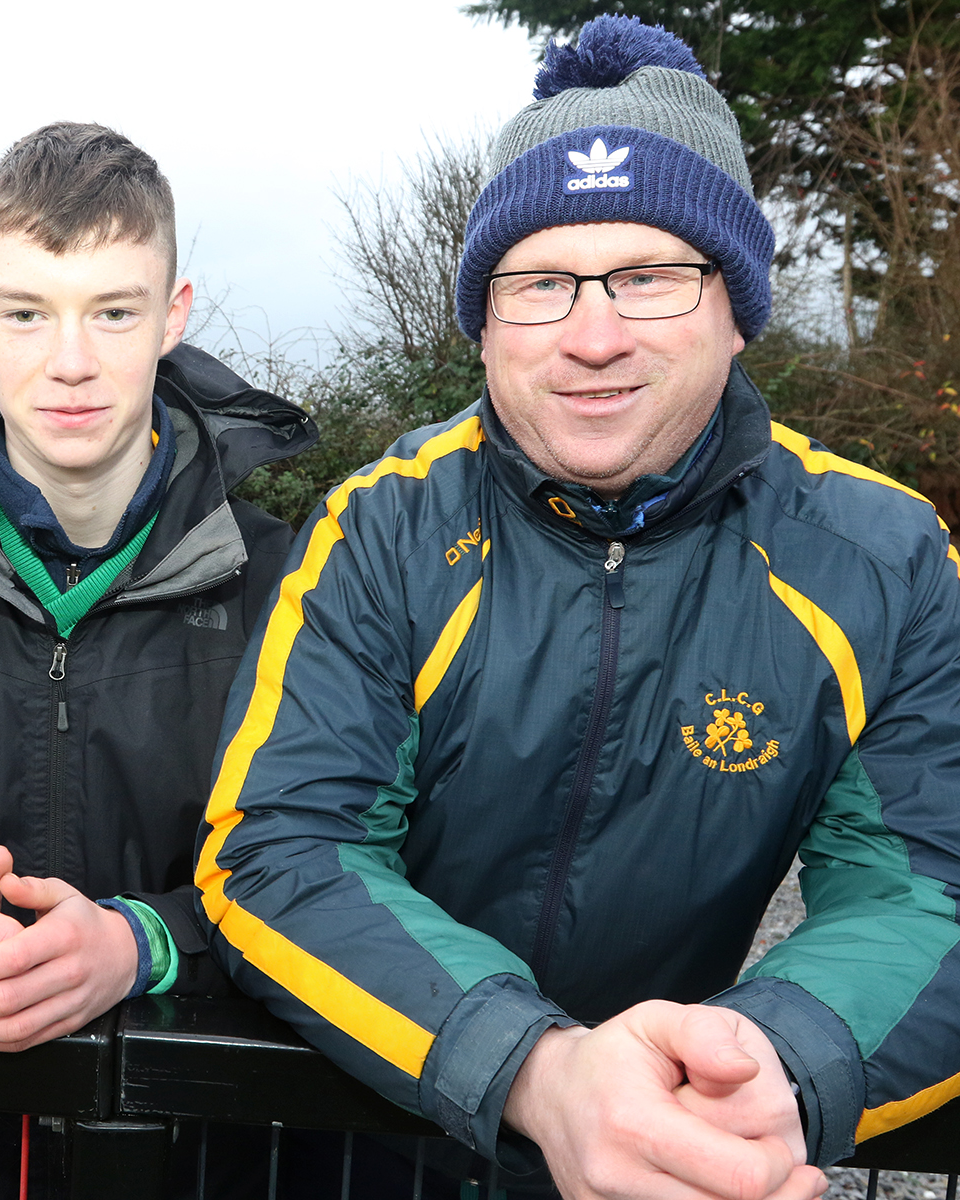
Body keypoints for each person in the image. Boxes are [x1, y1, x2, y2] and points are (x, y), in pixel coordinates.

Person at [197, 16, 960, 1200]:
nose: (593, 338)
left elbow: (930, 883)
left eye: (649, 278)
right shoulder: (382, 527)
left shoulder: (883, 558)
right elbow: (279, 845)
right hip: (347, 1141)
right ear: (485, 322)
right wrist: (539, 1075)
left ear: (737, 306)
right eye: (542, 283)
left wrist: (775, 1061)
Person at [0, 121, 315, 1198]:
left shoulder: (292, 584)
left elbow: (322, 860)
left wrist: (146, 943)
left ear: (174, 317)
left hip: (204, 1154)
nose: (73, 361)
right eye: (28, 313)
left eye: (115, 312)